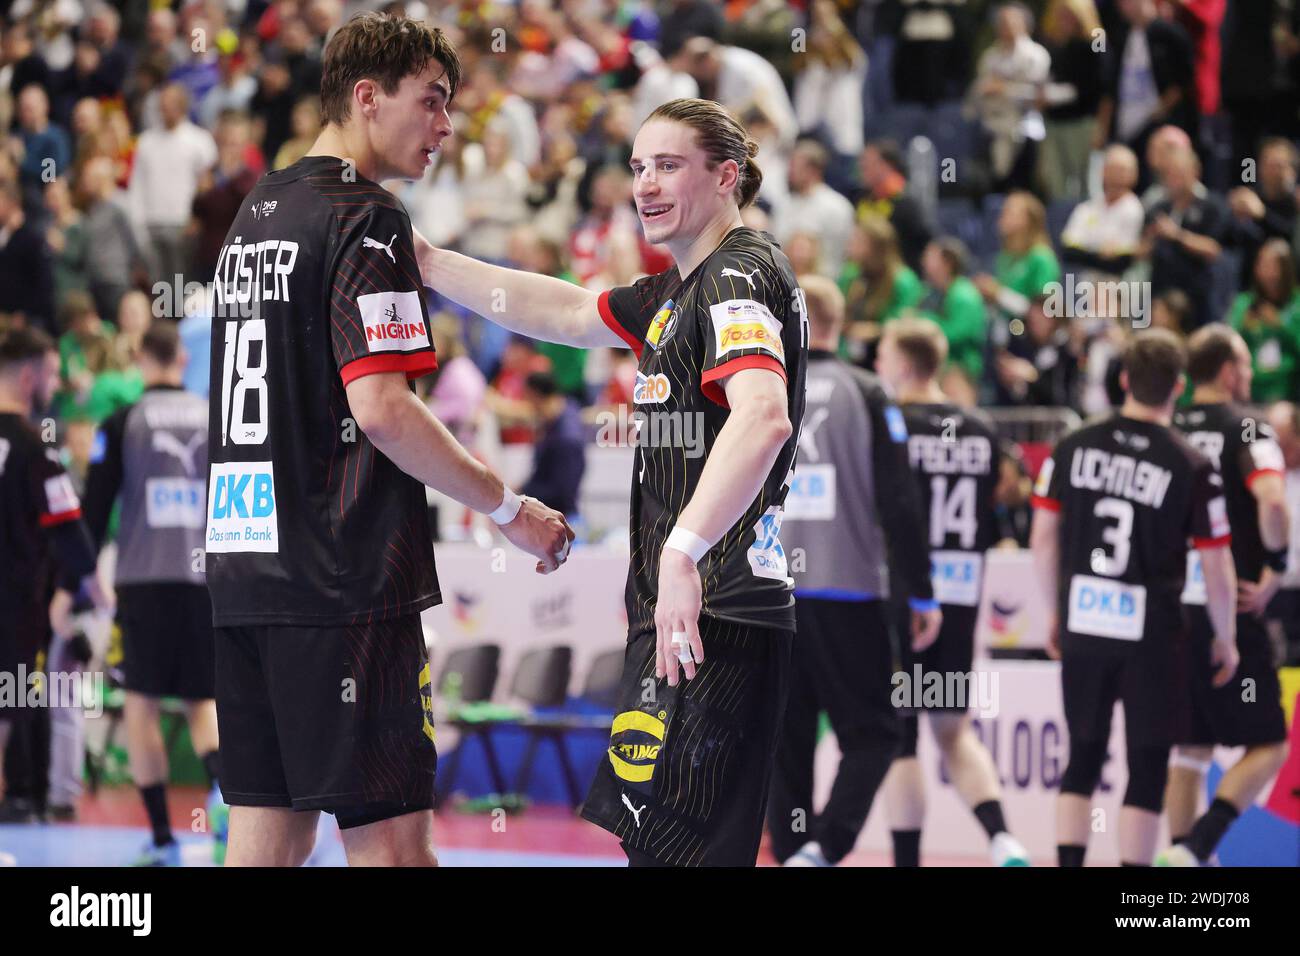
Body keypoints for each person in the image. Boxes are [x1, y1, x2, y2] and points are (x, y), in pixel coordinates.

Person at [205, 13, 572, 869]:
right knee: (397, 853)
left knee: (264, 849)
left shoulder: (255, 215)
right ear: (367, 99)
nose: (446, 126)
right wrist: (507, 508)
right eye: (432, 102)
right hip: (345, 584)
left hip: (245, 573)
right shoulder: (365, 216)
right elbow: (383, 409)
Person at [416, 96, 808, 867]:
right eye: (637, 168)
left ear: (727, 176)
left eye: (668, 165)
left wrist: (682, 554)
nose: (646, 185)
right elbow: (561, 310)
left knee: (680, 856)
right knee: (658, 853)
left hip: (715, 613)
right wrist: (428, 262)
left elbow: (764, 417)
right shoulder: (675, 292)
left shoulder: (738, 273)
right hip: (683, 614)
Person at [1030, 328, 1238, 867]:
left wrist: (1054, 610)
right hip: (1154, 635)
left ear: (1123, 380)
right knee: (1147, 765)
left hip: (1085, 622)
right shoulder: (1192, 465)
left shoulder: (1072, 445)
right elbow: (1217, 565)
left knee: (1083, 757)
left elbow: (1042, 537)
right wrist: (1227, 636)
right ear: (1180, 387)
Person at [764, 278, 940, 868]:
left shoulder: (764, 390)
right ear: (839, 323)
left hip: (771, 594)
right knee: (874, 733)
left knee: (784, 743)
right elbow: (900, 501)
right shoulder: (868, 391)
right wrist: (920, 594)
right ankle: (824, 848)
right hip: (848, 593)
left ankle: (795, 853)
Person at [875, 316, 1030, 868]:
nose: (877, 367)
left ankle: (907, 862)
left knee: (901, 739)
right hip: (961, 597)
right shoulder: (981, 428)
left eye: (884, 357)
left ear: (904, 364)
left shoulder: (892, 424)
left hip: (905, 597)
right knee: (952, 731)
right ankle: (1001, 837)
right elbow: (1003, 503)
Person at [81, 321, 227, 866]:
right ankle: (224, 803)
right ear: (182, 362)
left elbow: (93, 509)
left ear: (142, 360)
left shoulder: (122, 422)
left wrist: (80, 577)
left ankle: (164, 838)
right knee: (201, 702)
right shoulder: (215, 418)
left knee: (140, 704)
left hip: (142, 582)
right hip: (203, 583)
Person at [1161, 325, 1291, 866]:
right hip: (1228, 606)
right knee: (1270, 743)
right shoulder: (1248, 428)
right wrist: (1277, 567)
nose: (1250, 373)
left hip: (1170, 606)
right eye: (1244, 362)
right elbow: (1272, 498)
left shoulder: (1164, 423)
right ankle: (1195, 849)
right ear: (1226, 370)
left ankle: (1178, 869)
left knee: (1190, 750)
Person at [0, 327, 100, 829]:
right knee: (10, 709)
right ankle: (24, 799)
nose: (56, 382)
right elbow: (73, 536)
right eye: (52, 372)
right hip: (15, 609)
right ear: (28, 375)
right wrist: (78, 592)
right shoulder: (37, 448)